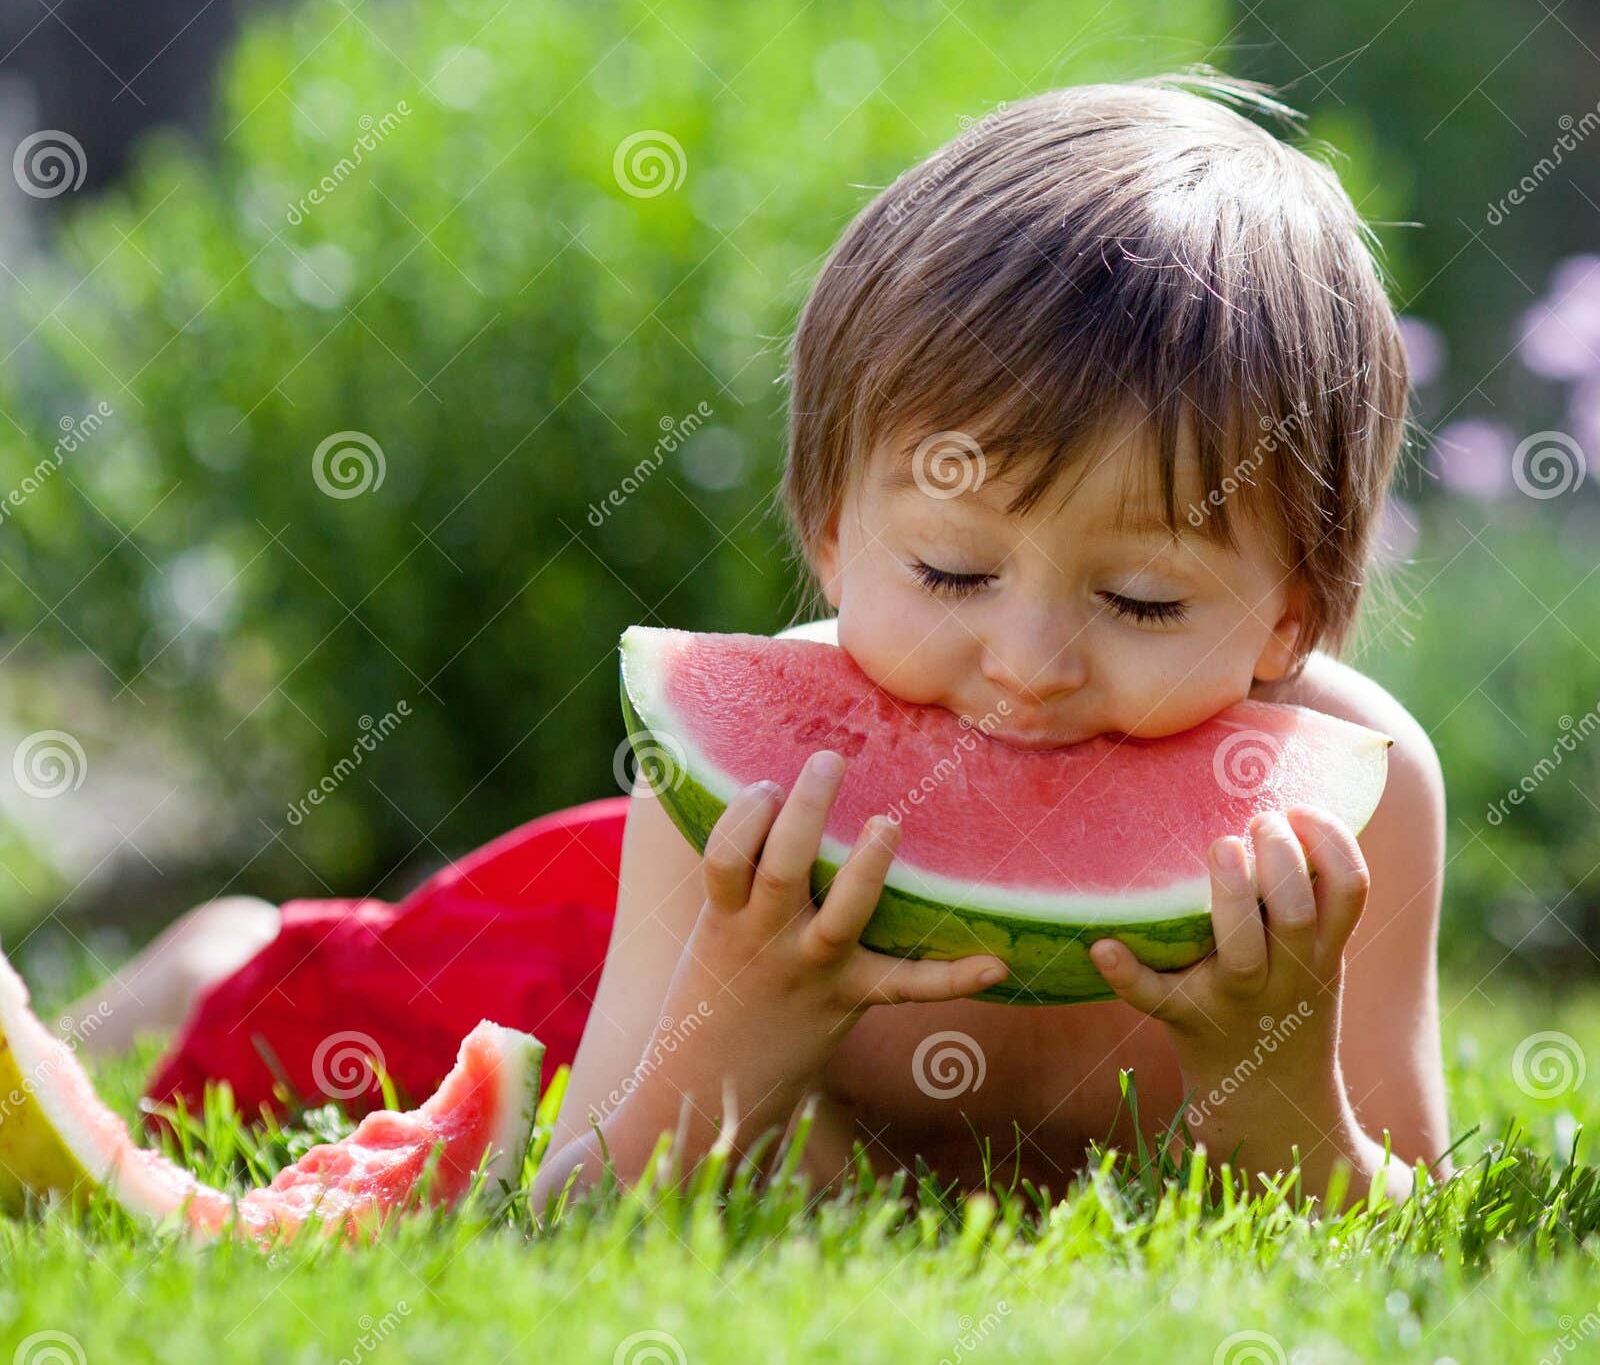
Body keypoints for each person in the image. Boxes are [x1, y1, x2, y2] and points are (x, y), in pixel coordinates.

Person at [76, 71, 1451, 1209]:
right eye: (952, 568)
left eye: (1143, 601)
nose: (1029, 662)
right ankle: (210, 953)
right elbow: (572, 1212)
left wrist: (1280, 1086)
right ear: (830, 531)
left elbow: (1407, 1214)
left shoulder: (1362, 801)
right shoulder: (748, 795)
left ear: (1297, 603)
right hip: (616, 949)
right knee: (271, 1020)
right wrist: (740, 1015)